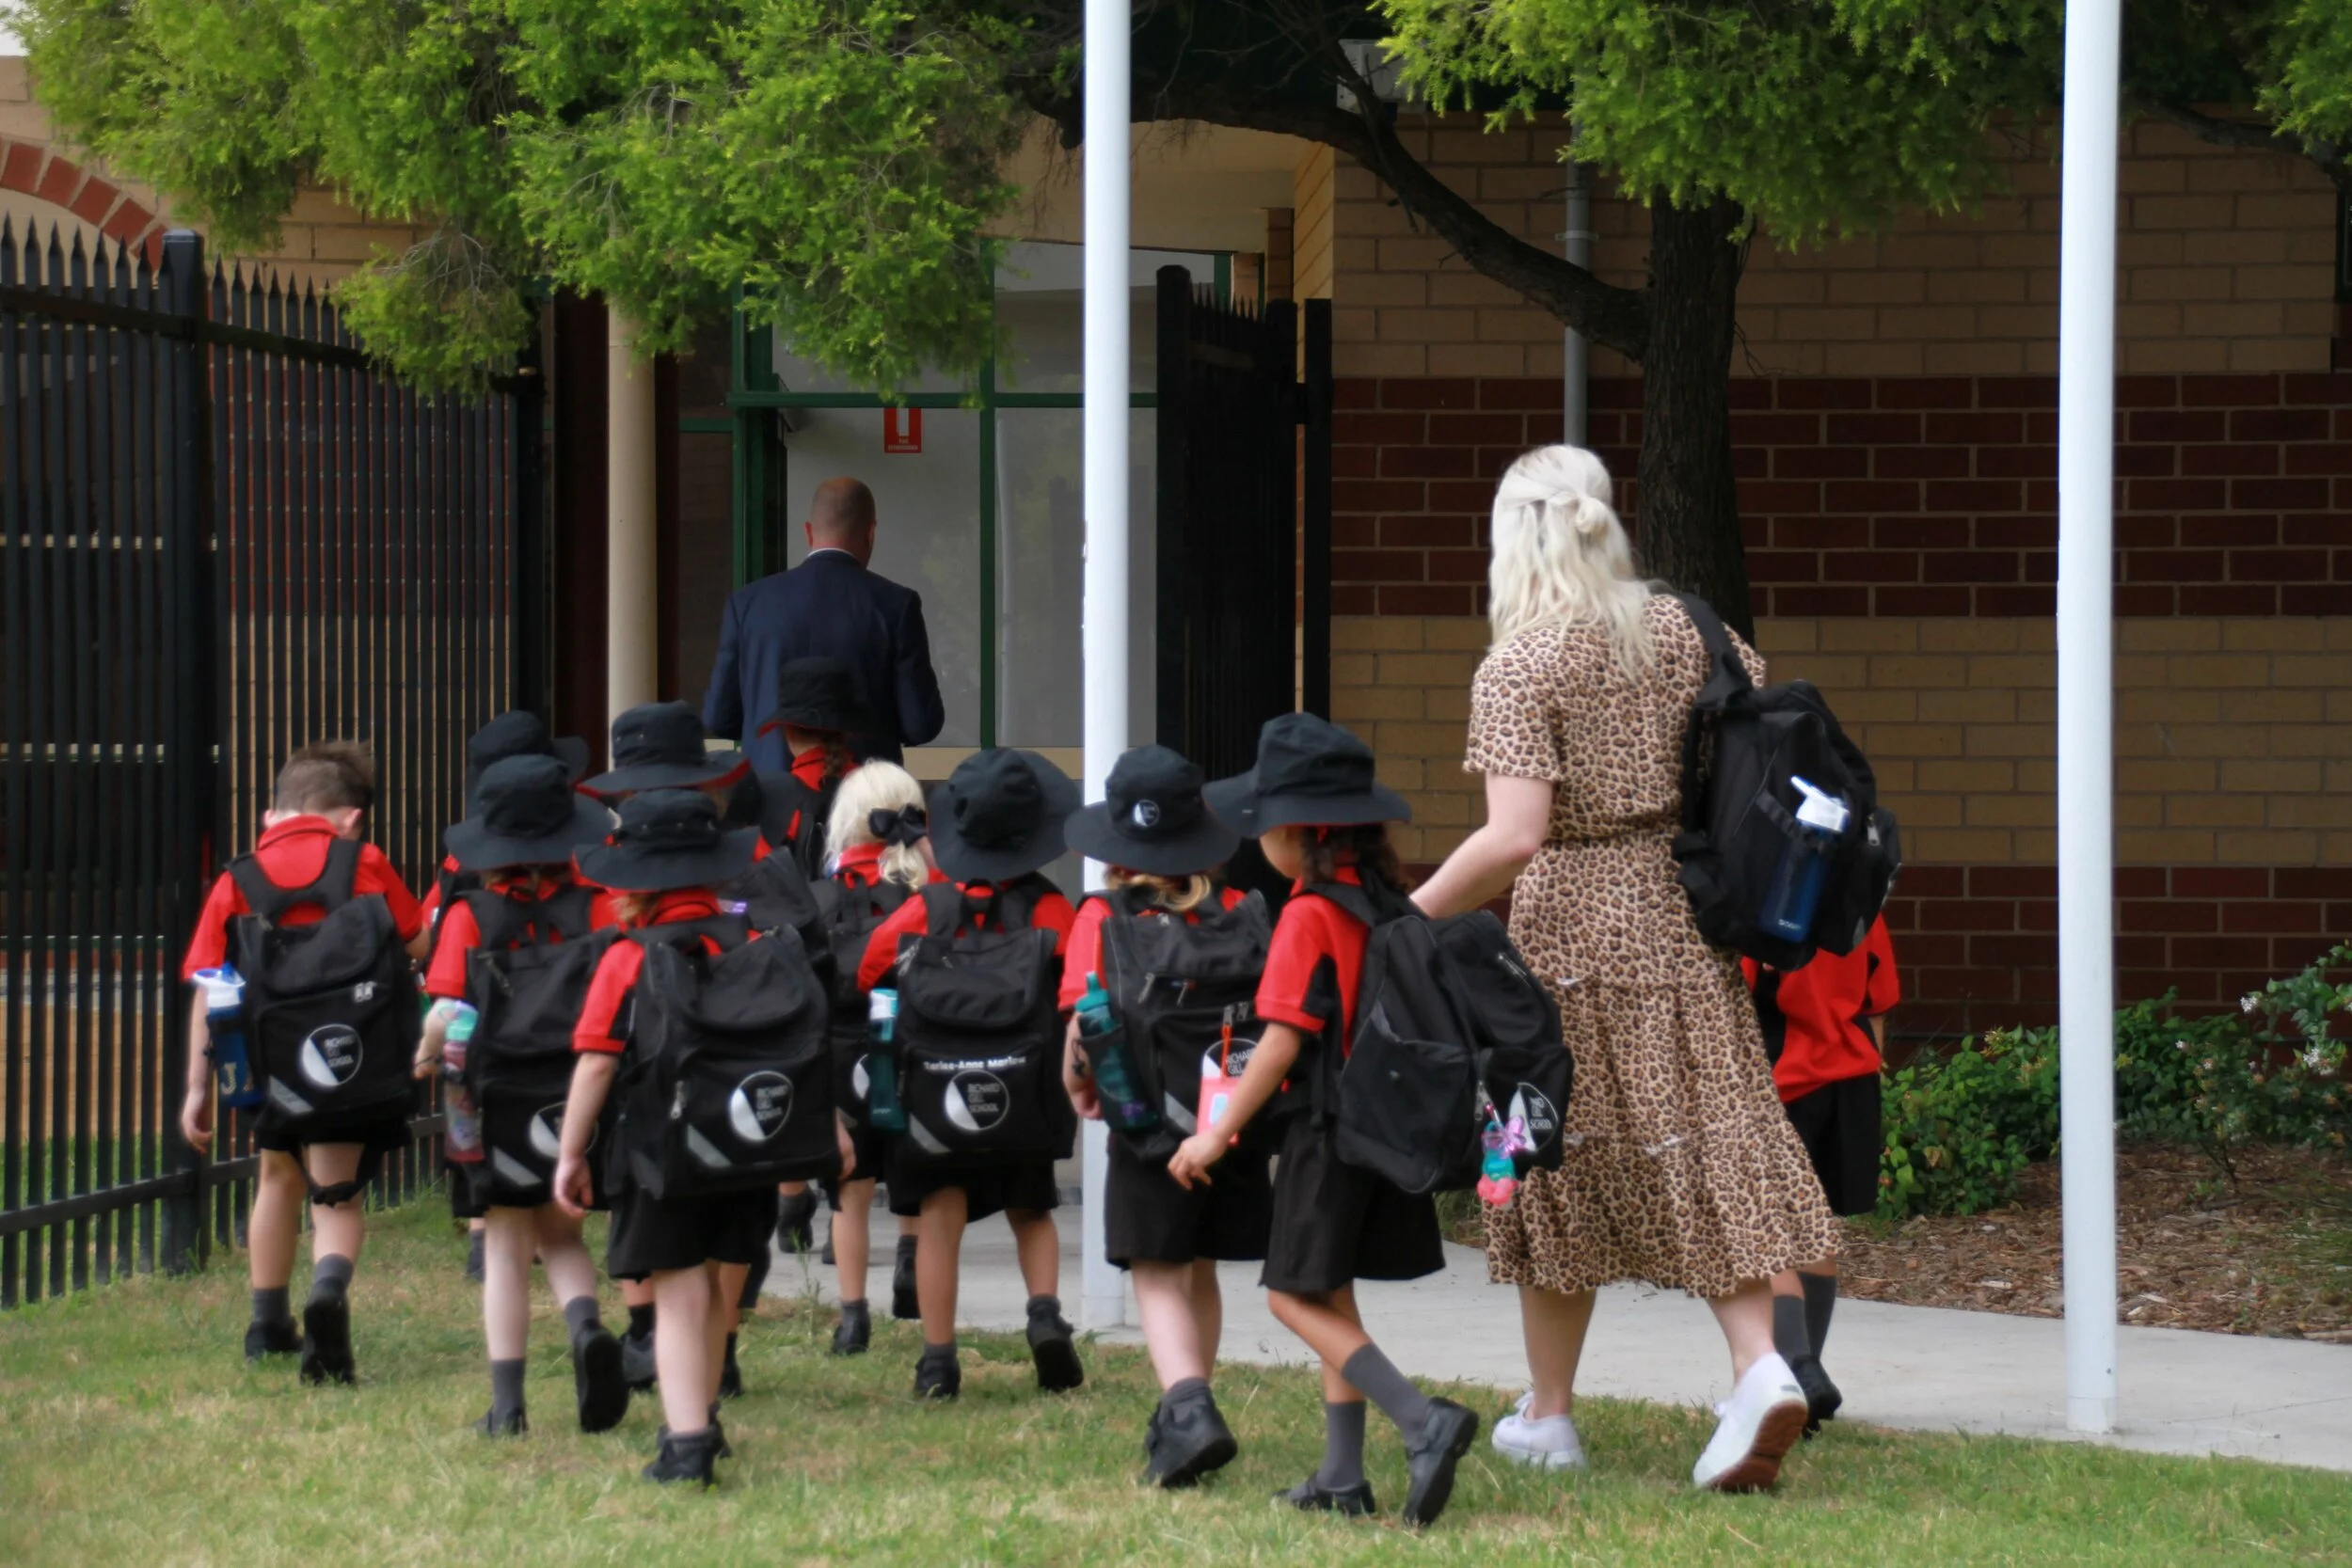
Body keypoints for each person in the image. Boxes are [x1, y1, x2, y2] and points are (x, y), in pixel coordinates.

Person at [1411, 444, 1833, 1493]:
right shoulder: (1700, 634)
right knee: (1702, 1142)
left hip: (1569, 932)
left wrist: (1404, 917)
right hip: (1688, 921)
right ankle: (1758, 1364)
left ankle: (1550, 1413)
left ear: (1514, 538)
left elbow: (1515, 836)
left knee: (1547, 1152)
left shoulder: (1521, 664)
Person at [1171, 714, 1479, 1528]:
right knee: (1330, 1290)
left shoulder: (1307, 912)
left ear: (1297, 833)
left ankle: (1422, 1421)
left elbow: (1279, 1042)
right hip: (1381, 1128)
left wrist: (1217, 1131)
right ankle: (1342, 1476)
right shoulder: (1381, 900)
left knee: (1290, 1297)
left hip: (1324, 1129)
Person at [554, 790, 799, 1486]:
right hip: (745, 1146)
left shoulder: (626, 957)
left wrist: (572, 1151)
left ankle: (686, 1439)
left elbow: (598, 1058)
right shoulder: (755, 944)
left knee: (679, 1293)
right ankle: (707, 1414)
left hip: (659, 1152)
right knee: (717, 1286)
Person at [178, 741, 431, 1381]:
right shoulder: (363, 860)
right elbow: (414, 938)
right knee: (336, 1194)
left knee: (275, 1177)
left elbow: (210, 986)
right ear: (350, 816)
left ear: (272, 814)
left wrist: (195, 1086)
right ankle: (327, 1292)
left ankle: (267, 1323)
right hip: (350, 1054)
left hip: (269, 1061)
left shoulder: (238, 877)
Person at [1061, 745, 1268, 1489]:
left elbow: (1084, 1022)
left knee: (1155, 1268)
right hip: (1229, 1119)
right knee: (1201, 1262)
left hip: (1145, 1123)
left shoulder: (1101, 915)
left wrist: (1078, 1083)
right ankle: (1194, 1398)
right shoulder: (1247, 911)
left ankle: (1187, 1408)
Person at [409, 754, 628, 1436]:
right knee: (562, 1233)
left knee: (506, 1243)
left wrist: (422, 1056)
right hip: (576, 1091)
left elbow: (449, 1010)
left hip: (495, 1093)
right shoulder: (599, 905)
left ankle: (508, 1404)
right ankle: (587, 1327)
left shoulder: (471, 913)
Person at [855, 749, 1083, 1402]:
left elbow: (870, 967)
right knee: (1032, 1209)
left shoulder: (929, 906)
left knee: (939, 1217)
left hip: (936, 1093)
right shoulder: (1047, 905)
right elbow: (1073, 983)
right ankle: (1043, 1312)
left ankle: (938, 1359)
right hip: (1024, 1087)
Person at [578, 701, 755, 1393]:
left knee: (645, 1198)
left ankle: (652, 1330)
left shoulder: (610, 870)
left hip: (636, 1060)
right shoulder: (743, 856)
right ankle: (718, 1348)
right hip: (731, 1067)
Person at [422, 710, 591, 1285]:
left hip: (485, 1038)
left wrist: (427, 1049)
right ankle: (560, 1217)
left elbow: (436, 946)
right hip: (567, 1035)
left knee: (469, 1099)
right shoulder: (584, 879)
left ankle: (480, 1230)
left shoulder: (460, 869)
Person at [1746, 913, 1900, 1432]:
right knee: (1815, 1228)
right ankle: (1807, 1369)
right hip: (1850, 1082)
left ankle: (1792, 1370)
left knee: (1764, 1228)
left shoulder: (1766, 902)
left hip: (1779, 1080)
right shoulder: (1861, 902)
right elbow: (1878, 999)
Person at [809, 762, 938, 1354]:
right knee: (914, 1171)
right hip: (913, 1041)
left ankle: (852, 1316)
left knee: (850, 1188)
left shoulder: (818, 898)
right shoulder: (928, 891)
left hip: (840, 1047)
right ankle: (910, 1268)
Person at [702, 477, 946, 770]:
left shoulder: (747, 605)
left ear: (808, 531)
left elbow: (720, 717)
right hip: (864, 800)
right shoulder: (896, 605)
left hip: (770, 799)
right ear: (871, 533)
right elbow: (922, 724)